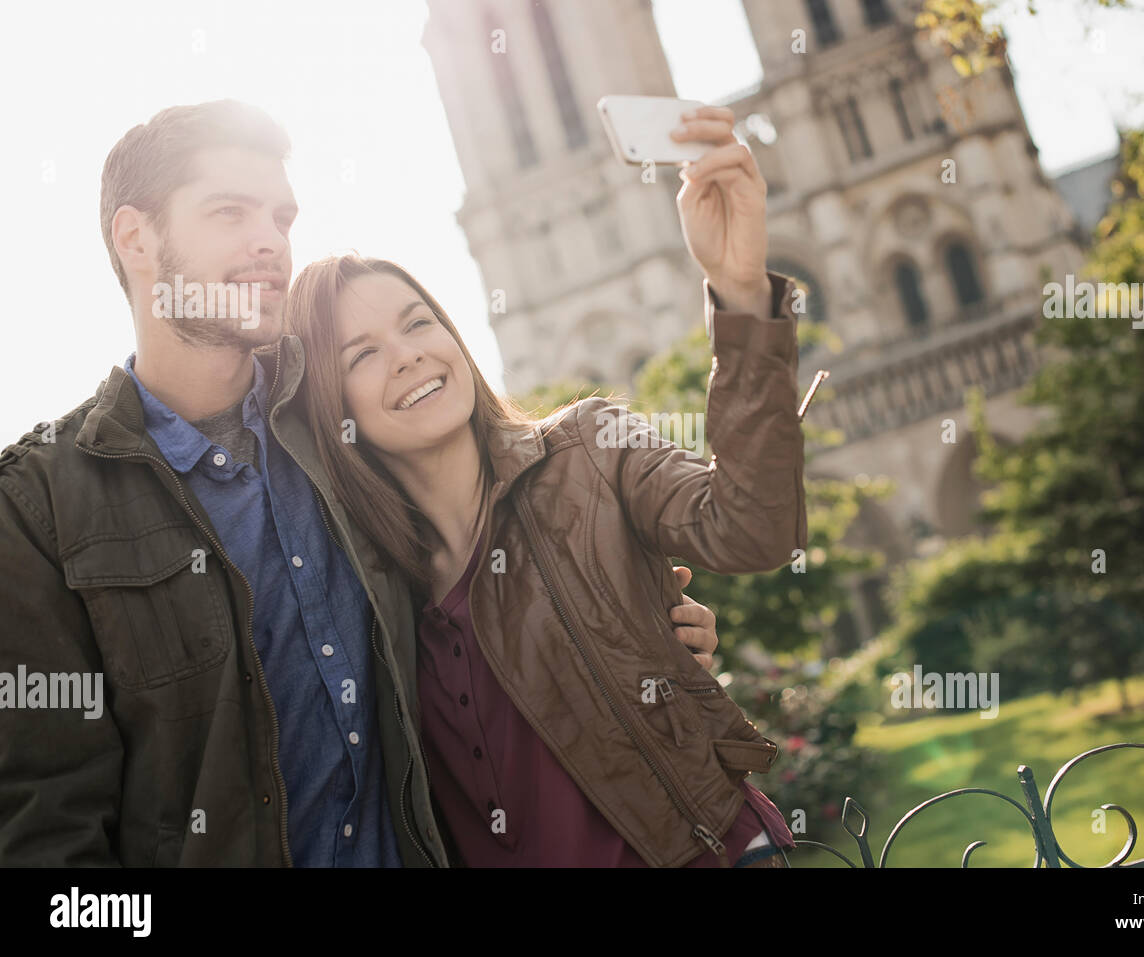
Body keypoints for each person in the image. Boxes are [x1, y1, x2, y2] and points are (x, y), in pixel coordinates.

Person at [0, 99, 720, 866]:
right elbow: (46, 832)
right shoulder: (37, 506)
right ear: (136, 238)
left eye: (281, 217)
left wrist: (626, 625)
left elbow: (490, 563)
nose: (268, 243)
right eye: (229, 212)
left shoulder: (347, 417)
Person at [284, 104, 806, 866]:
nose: (407, 356)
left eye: (418, 322)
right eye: (361, 354)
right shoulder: (363, 586)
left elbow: (753, 528)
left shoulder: (590, 446)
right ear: (333, 410)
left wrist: (741, 292)